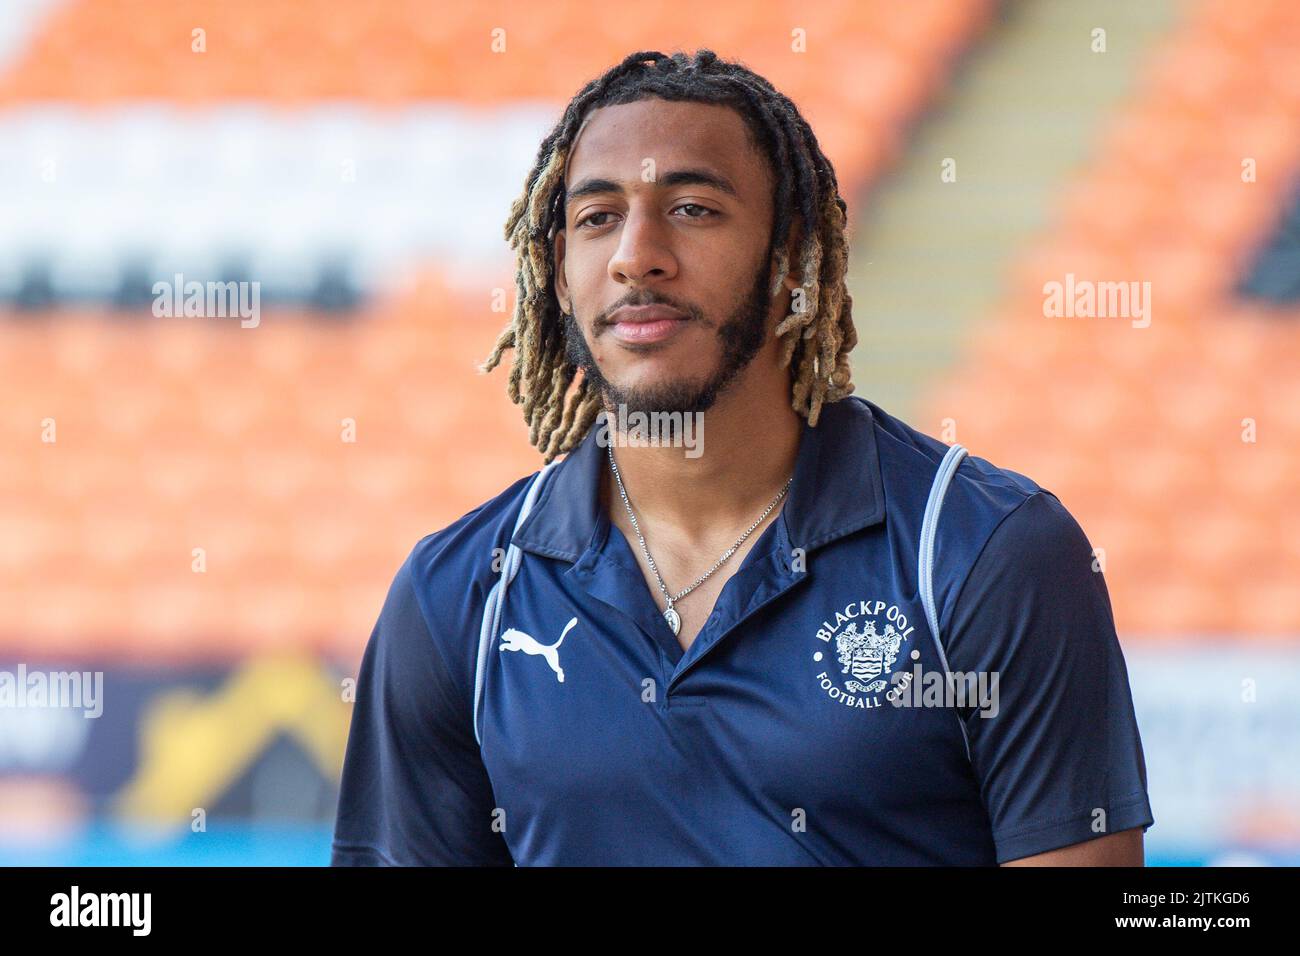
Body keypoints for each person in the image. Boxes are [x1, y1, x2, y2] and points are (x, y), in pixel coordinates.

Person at [331, 49, 1154, 866]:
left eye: (692, 208)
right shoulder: (459, 599)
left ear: (790, 256)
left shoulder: (987, 552)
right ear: (557, 270)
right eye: (598, 217)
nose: (636, 255)